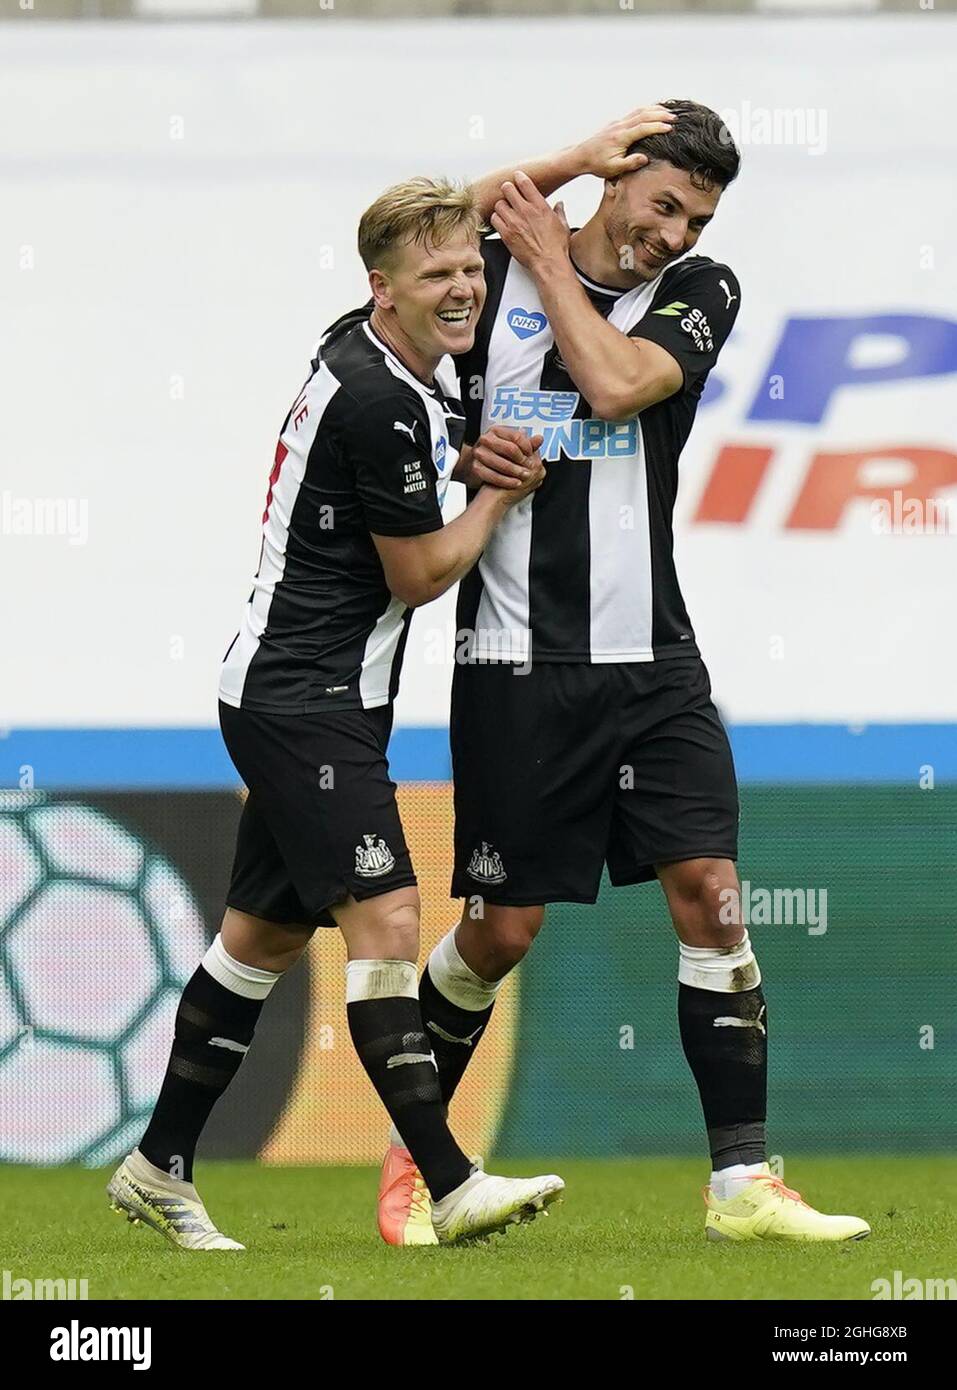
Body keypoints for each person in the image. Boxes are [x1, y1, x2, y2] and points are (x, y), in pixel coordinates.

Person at [378, 106, 869, 1245]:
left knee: (712, 891)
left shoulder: (703, 291)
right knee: (502, 934)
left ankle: (743, 1182)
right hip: (513, 662)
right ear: (619, 179)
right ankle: (417, 1159)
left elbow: (613, 384)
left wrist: (552, 255)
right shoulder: (485, 274)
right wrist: (559, 173)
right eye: (661, 204)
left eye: (695, 216)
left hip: (654, 660)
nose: (674, 232)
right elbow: (436, 221)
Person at [107, 176, 564, 1250]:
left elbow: (480, 212)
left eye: (469, 269)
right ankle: (448, 1181)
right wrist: (497, 492)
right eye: (438, 275)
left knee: (256, 941)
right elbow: (420, 575)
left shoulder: (380, 349)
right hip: (299, 701)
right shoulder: (379, 399)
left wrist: (578, 156)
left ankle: (157, 1165)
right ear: (383, 290)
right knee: (391, 917)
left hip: (312, 698)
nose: (463, 289)